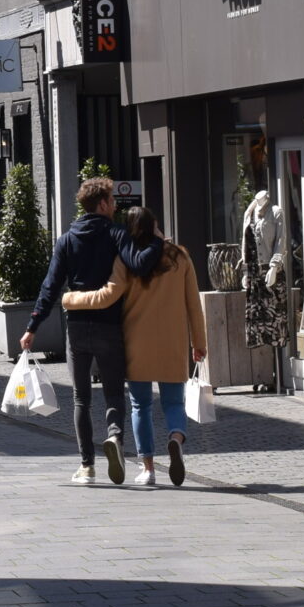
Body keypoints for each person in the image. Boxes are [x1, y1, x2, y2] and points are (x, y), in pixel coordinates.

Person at [61, 207, 204, 487]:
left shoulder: (125, 259)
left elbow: (107, 296)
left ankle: (148, 468)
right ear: (156, 227)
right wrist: (198, 344)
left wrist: (70, 300)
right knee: (174, 402)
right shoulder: (181, 257)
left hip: (136, 341)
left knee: (140, 405)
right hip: (172, 343)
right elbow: (194, 306)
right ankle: (175, 438)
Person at [23, 176, 130, 486]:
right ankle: (115, 439)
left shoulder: (67, 239)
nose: (114, 205)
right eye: (111, 200)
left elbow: (50, 285)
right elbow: (135, 266)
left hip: (78, 327)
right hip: (109, 324)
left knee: (81, 399)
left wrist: (33, 325)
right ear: (102, 204)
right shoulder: (116, 233)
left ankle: (87, 466)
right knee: (113, 393)